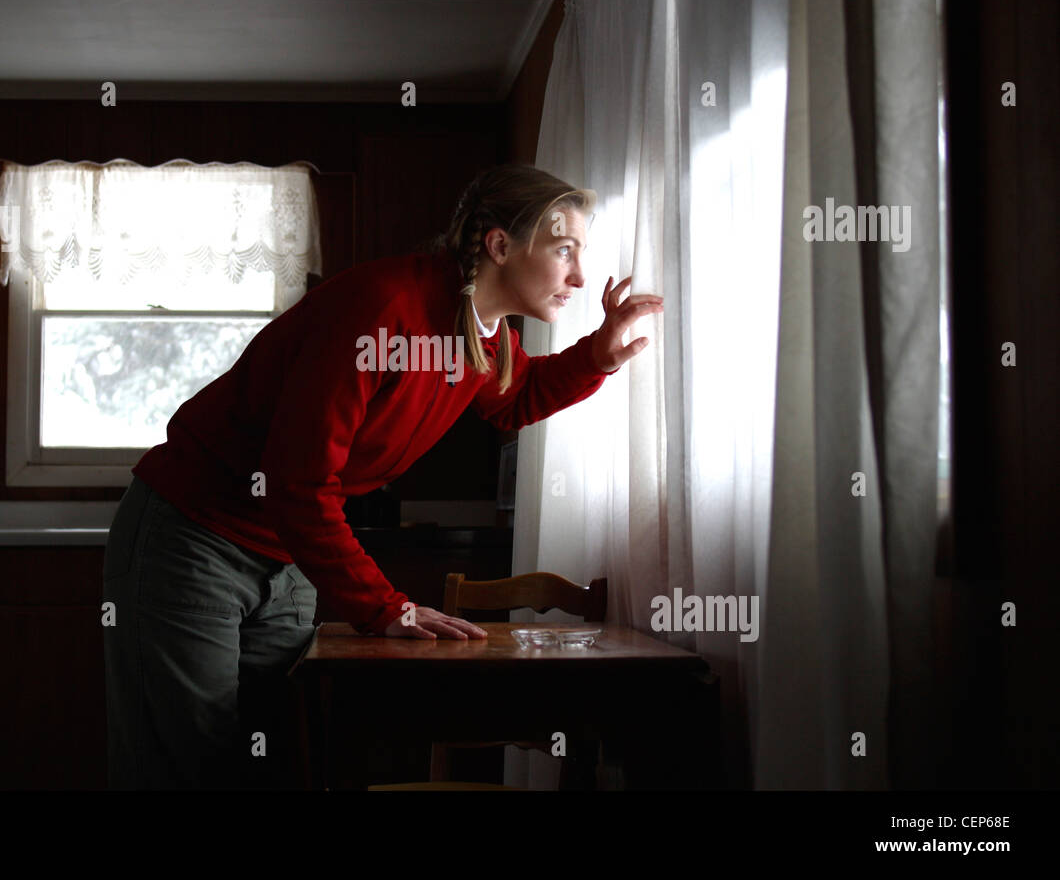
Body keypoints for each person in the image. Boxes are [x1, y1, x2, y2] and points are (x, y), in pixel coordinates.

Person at [102, 162, 663, 790]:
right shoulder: (387, 307)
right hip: (194, 536)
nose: (580, 276)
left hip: (286, 555)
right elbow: (298, 483)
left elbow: (514, 394)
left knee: (273, 762)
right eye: (564, 251)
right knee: (191, 769)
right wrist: (384, 605)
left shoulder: (482, 331)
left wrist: (600, 355)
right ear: (501, 245)